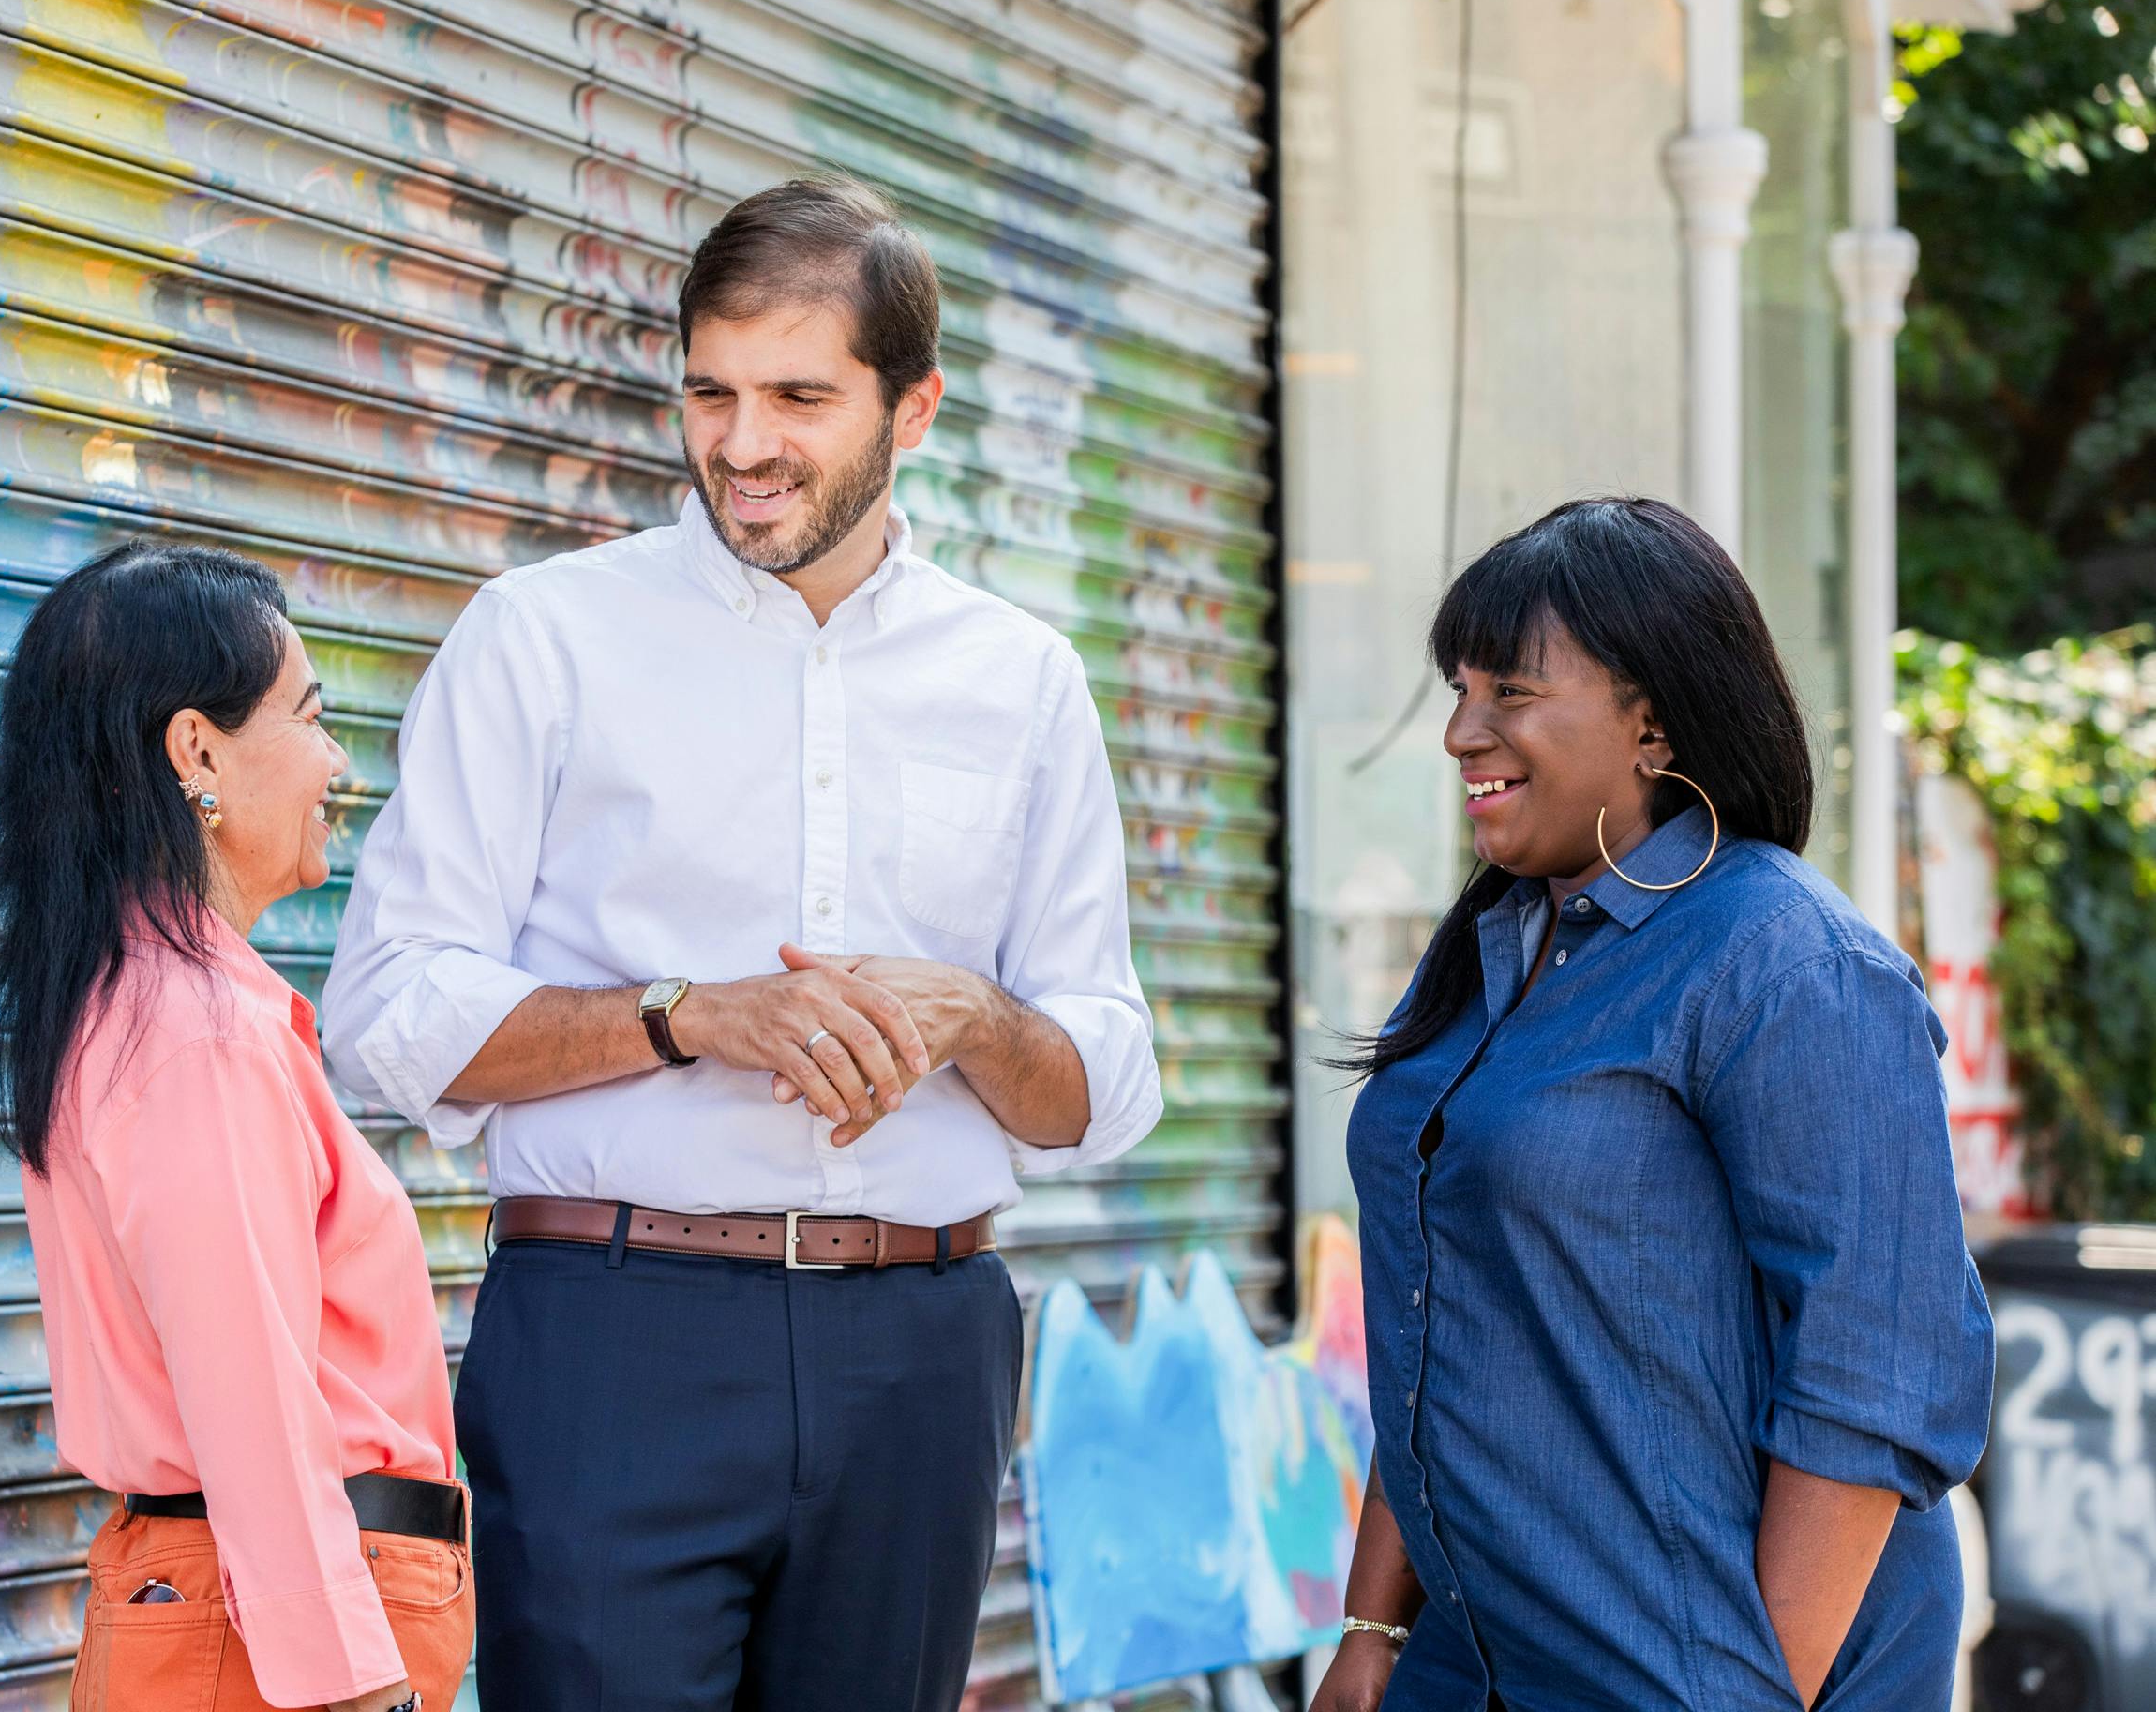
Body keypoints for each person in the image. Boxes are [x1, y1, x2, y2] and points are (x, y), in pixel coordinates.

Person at [322, 173, 1163, 1711]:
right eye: (710, 391)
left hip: (924, 1349)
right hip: (613, 1342)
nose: (742, 443)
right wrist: (683, 1014)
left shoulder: (1023, 680)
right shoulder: (544, 637)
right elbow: (382, 1010)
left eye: (798, 395)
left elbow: (1094, 1089)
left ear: (914, 412)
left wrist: (975, 1014)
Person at [1312, 499, 1996, 1712]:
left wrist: (1748, 1690)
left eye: (1511, 692)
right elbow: (1443, 1309)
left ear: (1654, 721)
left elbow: (1875, 1378)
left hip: (1694, 1675)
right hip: (1473, 1665)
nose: (1464, 731)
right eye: (1459, 690)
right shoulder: (1496, 944)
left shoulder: (1787, 963)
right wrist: (1373, 1629)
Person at [0, 544, 471, 1712]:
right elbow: (250, 1390)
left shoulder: (141, 996)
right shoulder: (192, 1030)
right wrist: (356, 1690)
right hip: (264, 1644)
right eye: (310, 717)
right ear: (197, 750)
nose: (337, 762)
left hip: (237, 1621)